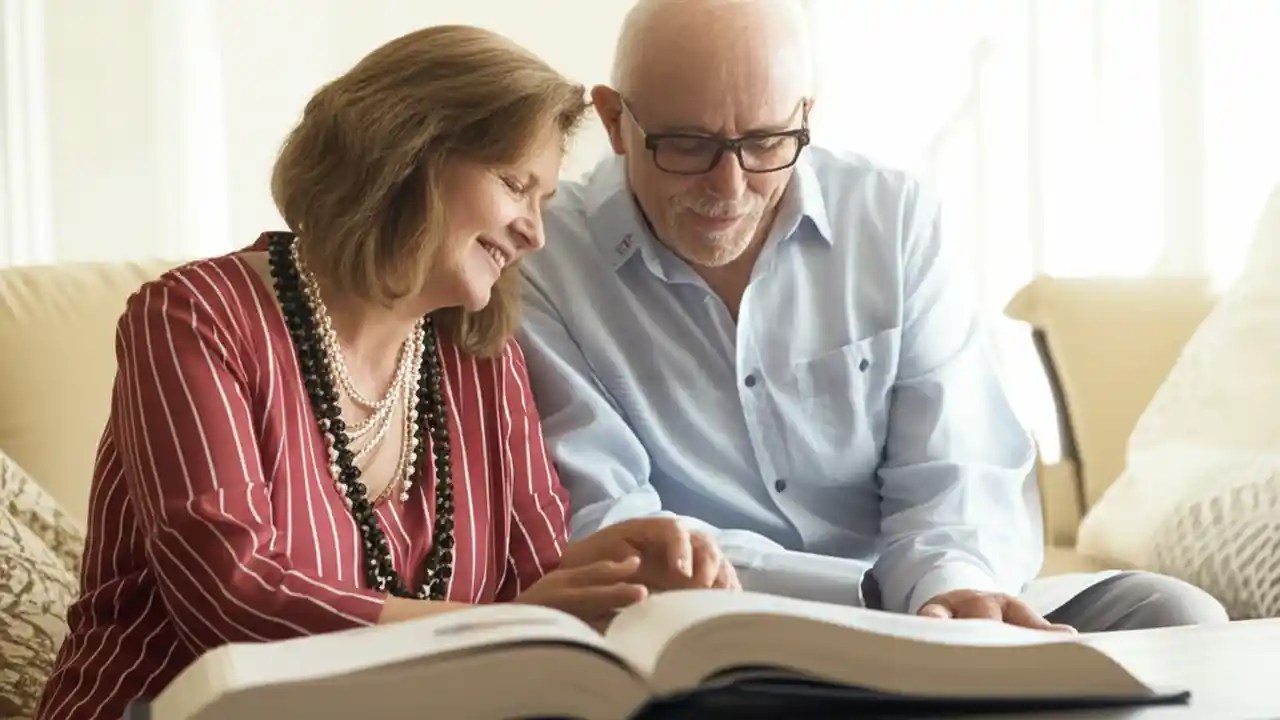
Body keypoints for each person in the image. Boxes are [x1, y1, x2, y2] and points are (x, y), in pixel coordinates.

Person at [36, 25, 731, 720]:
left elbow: (534, 592)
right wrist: (504, 628)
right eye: (516, 185)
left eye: (544, 202)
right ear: (406, 154)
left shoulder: (481, 358)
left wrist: (627, 574)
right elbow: (231, 600)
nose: (534, 232)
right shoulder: (196, 318)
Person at [518, 0, 1229, 632]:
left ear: (806, 116)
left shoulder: (893, 222)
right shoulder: (546, 259)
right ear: (614, 120)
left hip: (921, 609)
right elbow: (613, 526)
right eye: (688, 146)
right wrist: (862, 598)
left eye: (767, 142)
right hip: (716, 625)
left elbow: (958, 464)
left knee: (1175, 616)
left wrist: (951, 594)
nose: (729, 186)